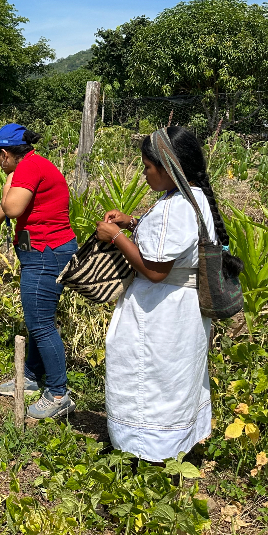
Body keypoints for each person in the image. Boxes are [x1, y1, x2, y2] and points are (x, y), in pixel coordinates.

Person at [96, 126, 239, 462]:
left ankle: (146, 453)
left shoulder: (174, 206)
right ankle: (175, 448)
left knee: (149, 381)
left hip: (159, 314)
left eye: (147, 167)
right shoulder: (195, 196)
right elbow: (171, 245)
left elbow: (156, 271)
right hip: (182, 309)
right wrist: (133, 223)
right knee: (174, 382)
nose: (144, 174)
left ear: (168, 167)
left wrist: (115, 236)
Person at [0, 124, 78, 419]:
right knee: (36, 320)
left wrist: (9, 179)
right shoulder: (33, 165)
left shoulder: (27, 169)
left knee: (41, 323)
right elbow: (5, 210)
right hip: (44, 253)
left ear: (5, 154)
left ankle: (58, 393)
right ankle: (29, 377)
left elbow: (11, 208)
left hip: (46, 254)